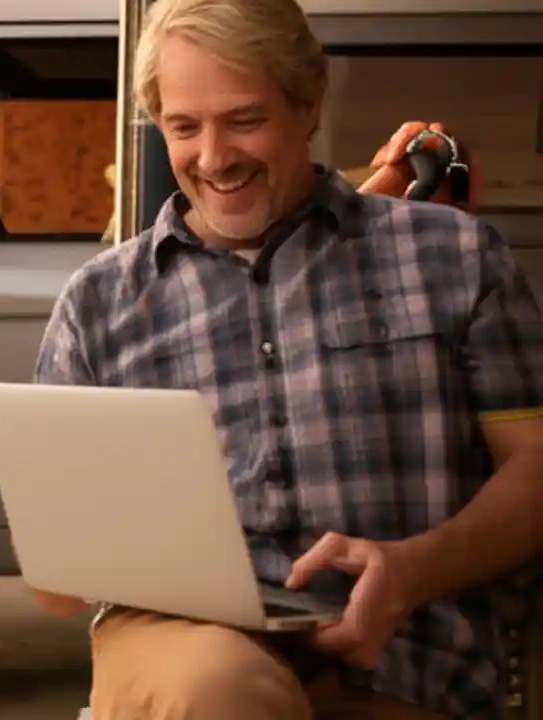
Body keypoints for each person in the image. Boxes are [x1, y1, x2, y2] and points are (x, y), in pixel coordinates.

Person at [32, 1, 543, 718]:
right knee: (213, 691)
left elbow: (536, 468)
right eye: (184, 127)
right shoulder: (99, 305)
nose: (214, 158)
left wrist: (411, 572)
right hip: (189, 654)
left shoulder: (454, 259)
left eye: (244, 120)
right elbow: (56, 587)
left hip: (409, 656)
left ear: (308, 106)